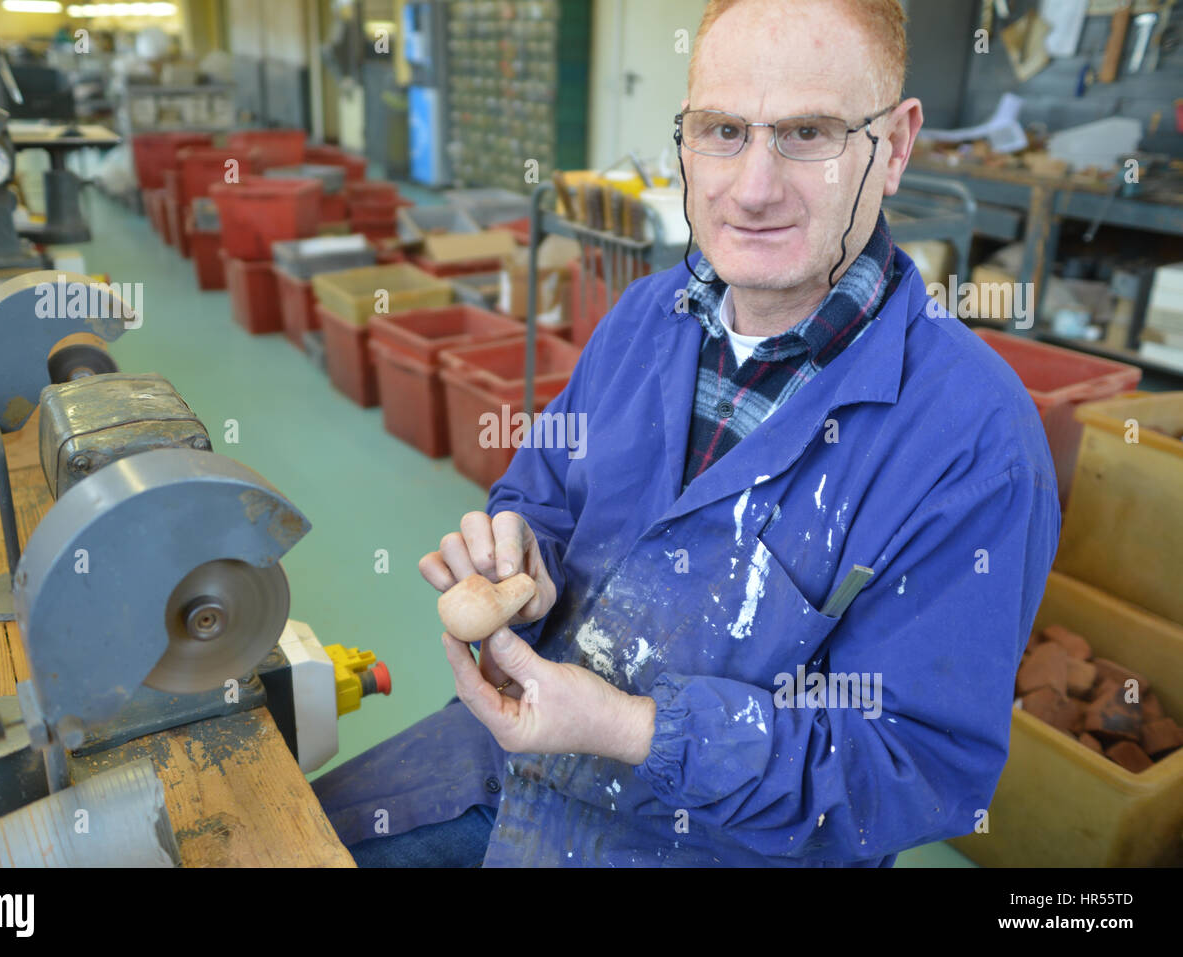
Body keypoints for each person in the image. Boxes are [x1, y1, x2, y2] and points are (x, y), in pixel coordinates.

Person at [313, 0, 1061, 866]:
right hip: (504, 760)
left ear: (893, 147)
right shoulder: (646, 316)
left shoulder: (975, 440)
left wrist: (638, 730)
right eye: (723, 130)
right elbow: (542, 492)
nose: (752, 187)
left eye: (808, 132)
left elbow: (913, 765)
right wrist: (520, 559)